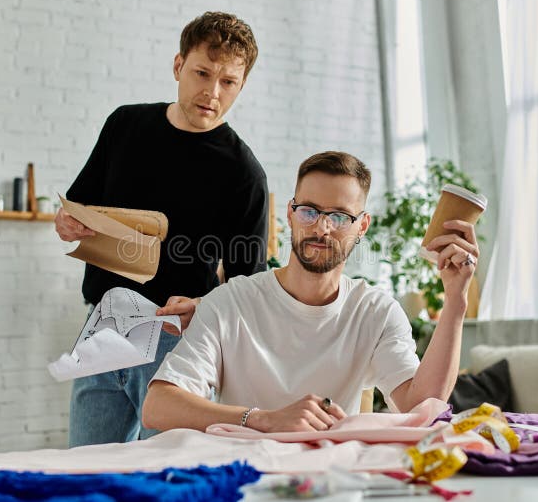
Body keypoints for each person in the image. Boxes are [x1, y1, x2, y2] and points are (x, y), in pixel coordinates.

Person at [143, 151, 479, 432]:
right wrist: (263, 419)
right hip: (241, 472)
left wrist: (455, 300)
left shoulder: (375, 312)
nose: (321, 227)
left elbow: (422, 407)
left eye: (340, 216)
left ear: (362, 226)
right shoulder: (232, 301)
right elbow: (158, 406)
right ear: (291, 215)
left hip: (329, 475)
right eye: (309, 211)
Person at [56, 12, 268, 446]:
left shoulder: (244, 174)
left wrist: (202, 305)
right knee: (85, 468)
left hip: (176, 341)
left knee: (167, 470)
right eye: (202, 73)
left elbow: (248, 285)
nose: (212, 92)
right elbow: (79, 207)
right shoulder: (124, 126)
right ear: (178, 65)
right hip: (103, 327)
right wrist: (67, 222)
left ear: (241, 85)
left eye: (228, 81)